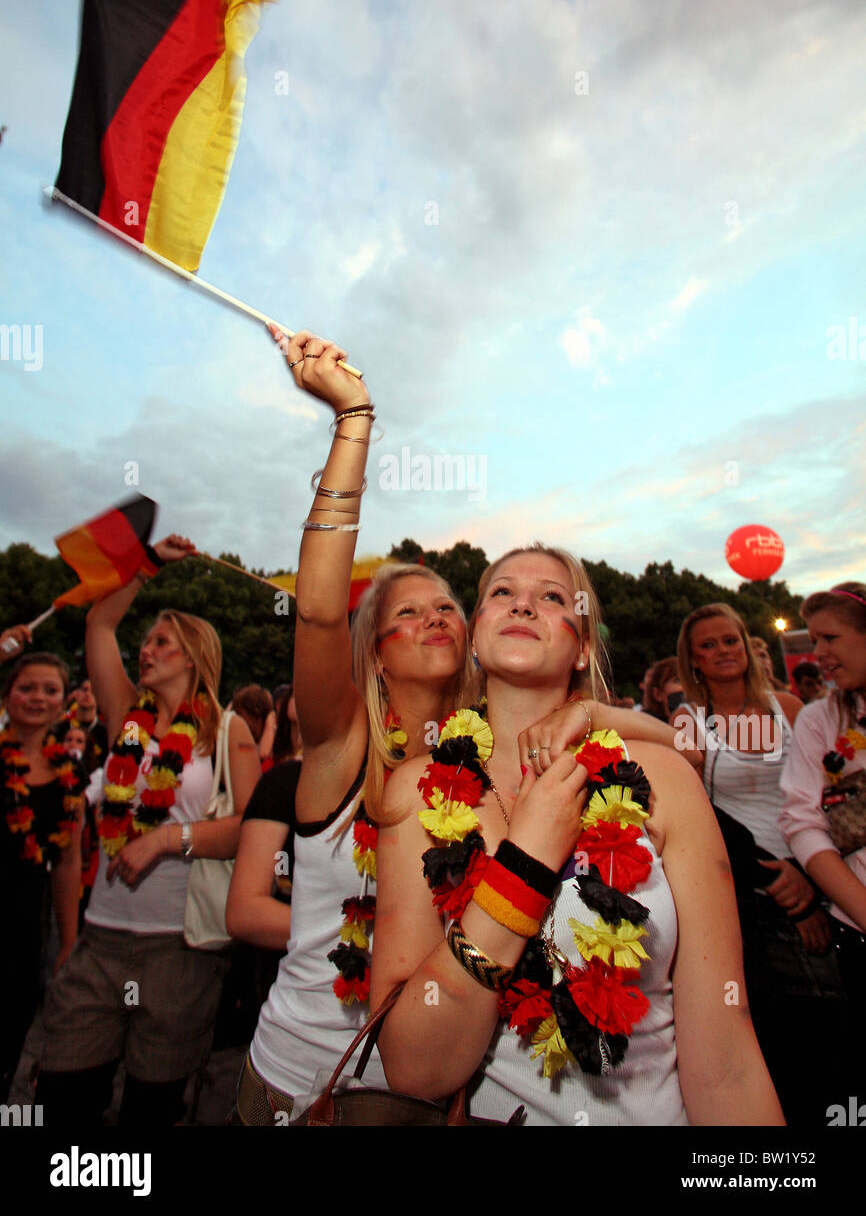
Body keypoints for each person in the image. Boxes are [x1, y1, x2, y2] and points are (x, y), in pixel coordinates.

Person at [230, 328, 686, 1123]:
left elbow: (678, 746)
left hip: (453, 1089)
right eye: (408, 612)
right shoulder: (346, 749)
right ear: (371, 653)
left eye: (449, 603)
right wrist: (354, 425)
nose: (437, 615)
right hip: (316, 1077)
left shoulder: (489, 760)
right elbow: (314, 610)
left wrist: (591, 708)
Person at [371, 546, 783, 1125]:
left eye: (553, 598)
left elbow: (726, 1056)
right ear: (476, 633)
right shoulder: (419, 790)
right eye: (501, 593)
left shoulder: (661, 778)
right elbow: (413, 1068)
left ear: (583, 645)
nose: (523, 604)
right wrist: (527, 865)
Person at [35, 536, 260, 1127]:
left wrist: (166, 839)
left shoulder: (227, 729)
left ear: (191, 655)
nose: (146, 650)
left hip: (179, 949)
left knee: (151, 1110)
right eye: (147, 641)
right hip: (101, 939)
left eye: (161, 641)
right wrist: (149, 563)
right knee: (63, 1092)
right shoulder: (121, 713)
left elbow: (252, 830)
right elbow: (100, 623)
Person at [673, 603, 843, 1123]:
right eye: (709, 645)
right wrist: (779, 883)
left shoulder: (790, 706)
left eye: (731, 640)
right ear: (693, 660)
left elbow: (826, 797)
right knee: (790, 1026)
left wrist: (816, 878)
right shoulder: (689, 719)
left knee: (838, 1018)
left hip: (823, 873)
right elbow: (695, 812)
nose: (723, 651)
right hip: (753, 887)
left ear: (747, 646)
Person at [779, 582, 866, 1090]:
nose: (819, 655)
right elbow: (802, 822)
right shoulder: (819, 720)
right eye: (815, 640)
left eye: (830, 638)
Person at [1, 653, 86, 1101]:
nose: (37, 698)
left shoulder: (70, 781)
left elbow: (68, 865)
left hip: (23, 938)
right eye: (26, 687)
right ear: (7, 695)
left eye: (50, 690)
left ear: (63, 702)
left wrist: (68, 941)